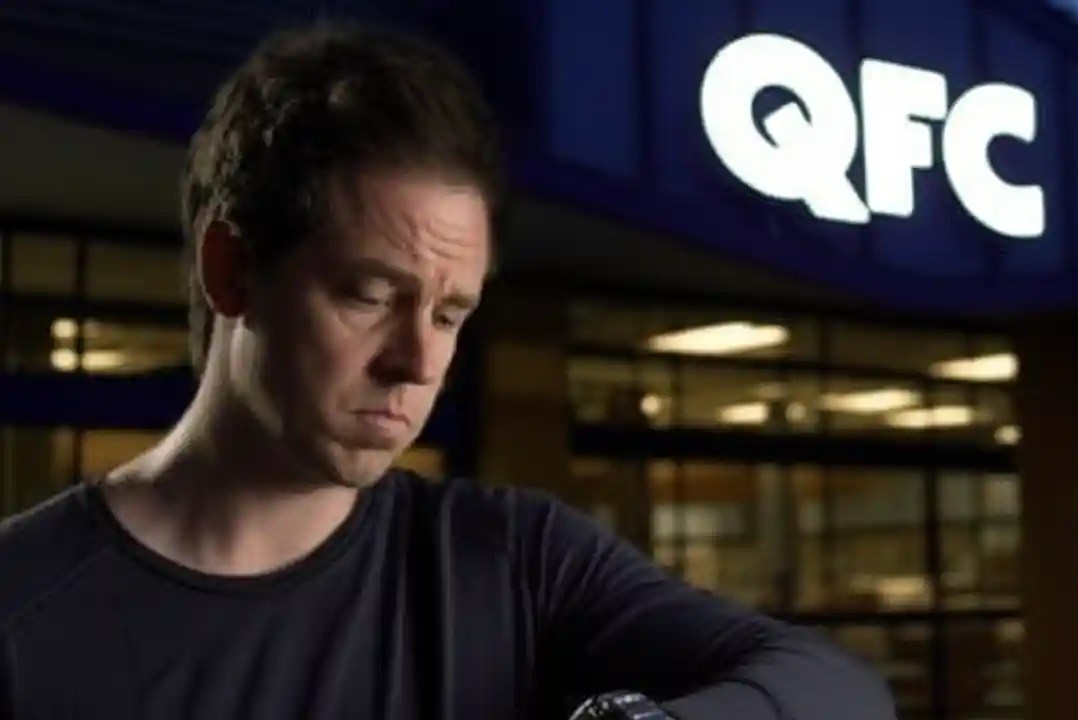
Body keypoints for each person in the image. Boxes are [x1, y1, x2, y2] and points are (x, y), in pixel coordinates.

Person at [0, 22, 897, 720]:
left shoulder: (509, 561)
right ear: (232, 271)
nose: (418, 362)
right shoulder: (22, 607)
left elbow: (836, 690)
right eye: (369, 296)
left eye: (449, 313)